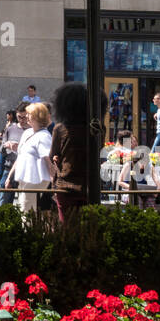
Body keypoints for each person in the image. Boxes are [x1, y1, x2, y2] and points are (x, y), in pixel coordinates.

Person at [49, 84, 108, 223]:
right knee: (90, 227)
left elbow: (53, 155)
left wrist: (58, 159)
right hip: (90, 184)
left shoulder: (60, 129)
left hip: (66, 185)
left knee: (67, 227)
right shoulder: (98, 128)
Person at [6, 102, 53, 214]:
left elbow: (49, 161)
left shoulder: (44, 136)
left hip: (35, 180)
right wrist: (9, 176)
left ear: (37, 116)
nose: (26, 116)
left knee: (26, 210)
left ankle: (28, 231)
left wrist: (55, 183)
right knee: (23, 208)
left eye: (29, 114)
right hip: (23, 179)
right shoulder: (27, 133)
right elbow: (20, 157)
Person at [0, 110, 24, 202]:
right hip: (8, 168)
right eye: (20, 117)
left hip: (25, 171)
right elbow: (2, 149)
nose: (22, 120)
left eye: (25, 117)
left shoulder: (32, 130)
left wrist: (19, 147)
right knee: (4, 203)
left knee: (26, 206)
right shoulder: (10, 128)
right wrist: (6, 146)